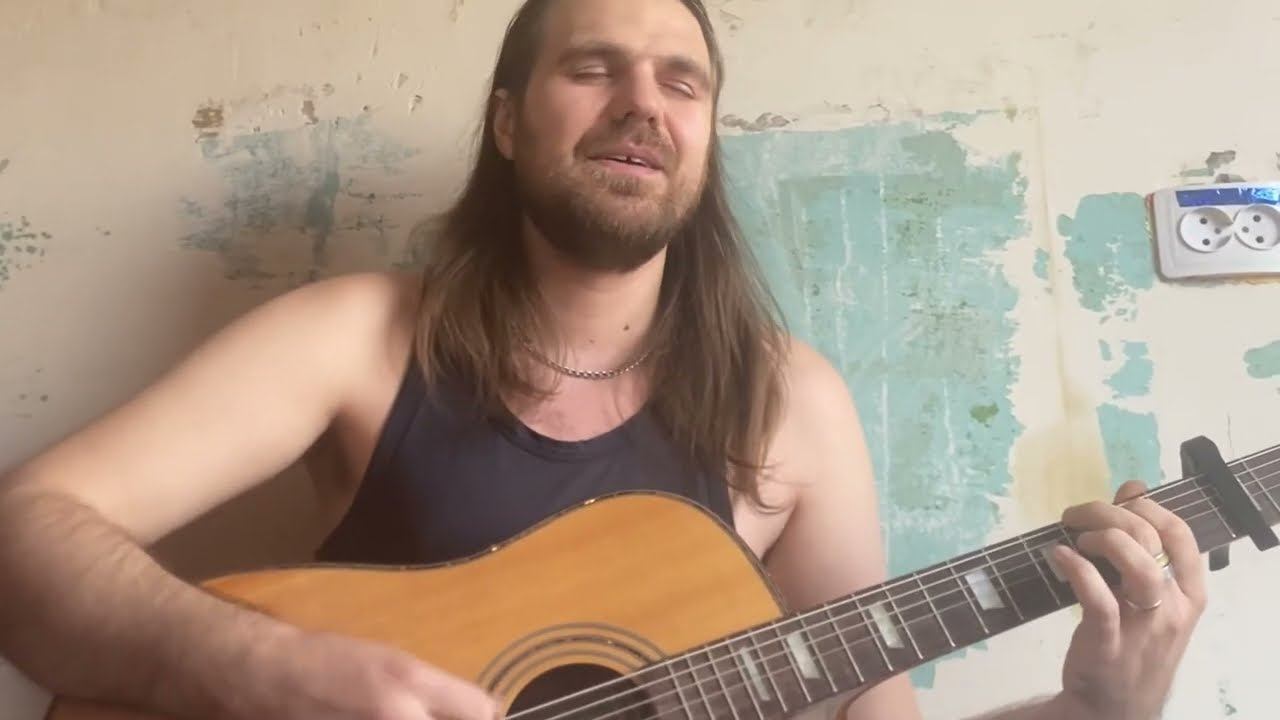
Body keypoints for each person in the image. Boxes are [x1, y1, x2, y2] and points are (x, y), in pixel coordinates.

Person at [0, 0, 1205, 718]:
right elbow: (29, 530)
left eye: (681, 82)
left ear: (704, 138)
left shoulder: (791, 402)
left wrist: (1091, 709)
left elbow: (860, 715)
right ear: (507, 120)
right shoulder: (356, 336)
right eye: (592, 68)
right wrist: (263, 671)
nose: (642, 103)